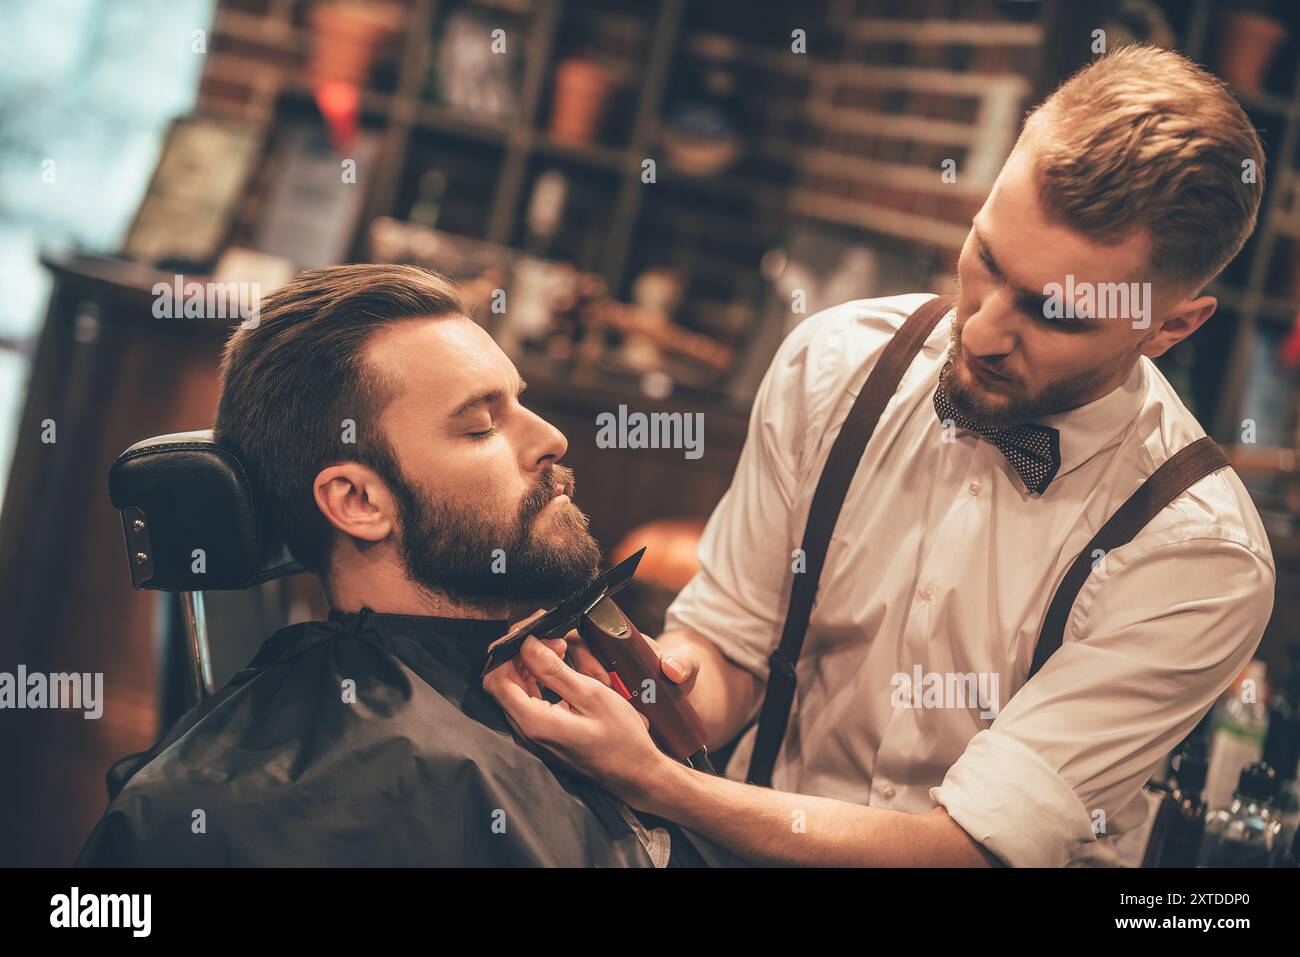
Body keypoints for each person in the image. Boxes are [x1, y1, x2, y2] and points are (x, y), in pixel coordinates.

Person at [483, 44, 1278, 867]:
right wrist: (657, 684)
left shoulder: (1200, 552)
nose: (979, 331)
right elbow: (732, 650)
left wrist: (660, 782)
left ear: (1171, 326)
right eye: (988, 261)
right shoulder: (837, 364)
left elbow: (969, 848)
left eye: (1055, 313)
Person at [76, 264, 729, 867]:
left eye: (521, 401)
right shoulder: (273, 804)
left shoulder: (558, 692)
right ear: (358, 500)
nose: (551, 439)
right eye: (480, 427)